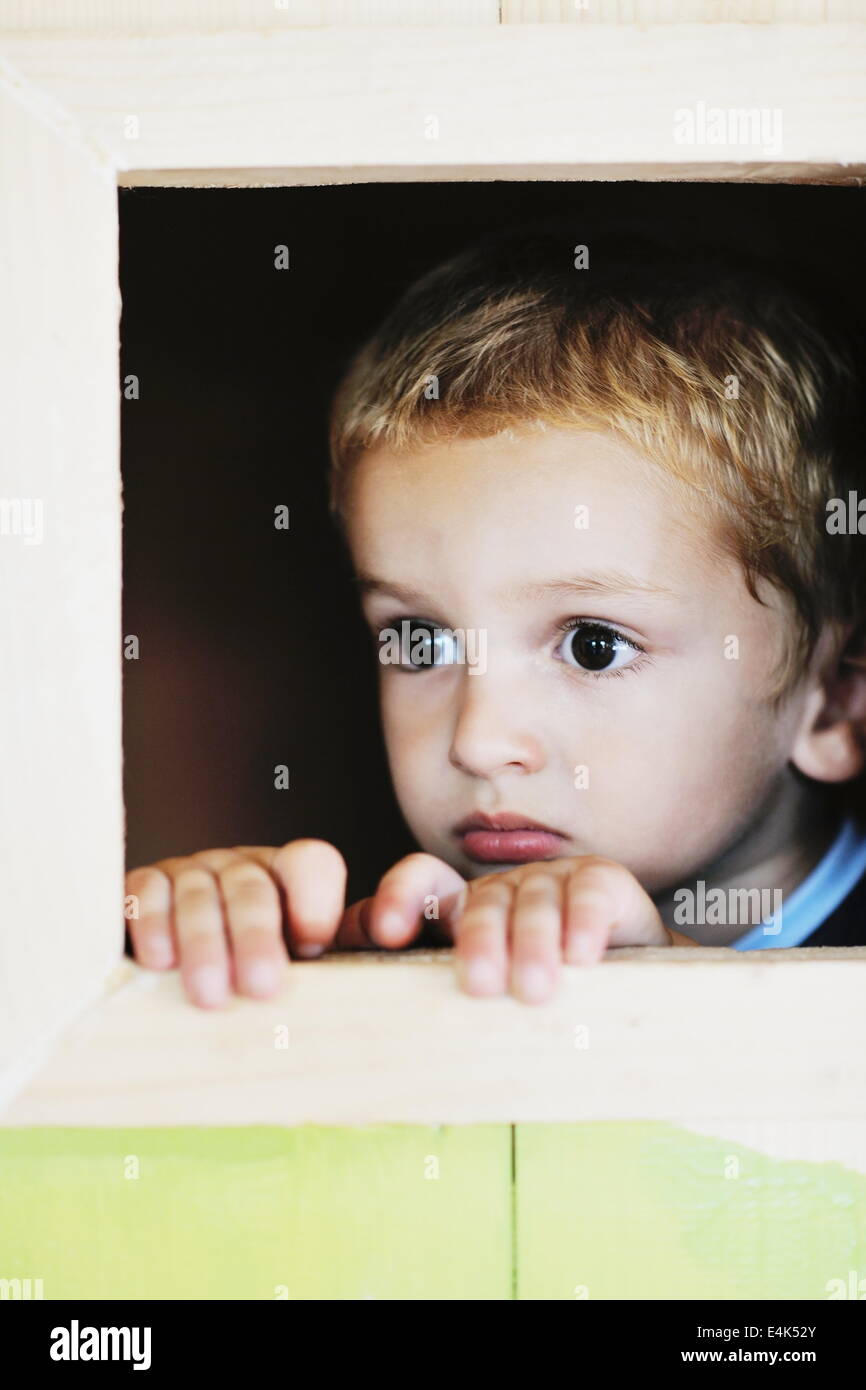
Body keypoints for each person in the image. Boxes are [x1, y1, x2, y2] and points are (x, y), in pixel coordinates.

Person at [124, 221, 866, 1009]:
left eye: (592, 646)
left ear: (834, 704)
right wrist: (223, 952)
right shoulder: (411, 923)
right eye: (420, 641)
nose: (478, 743)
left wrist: (665, 995)